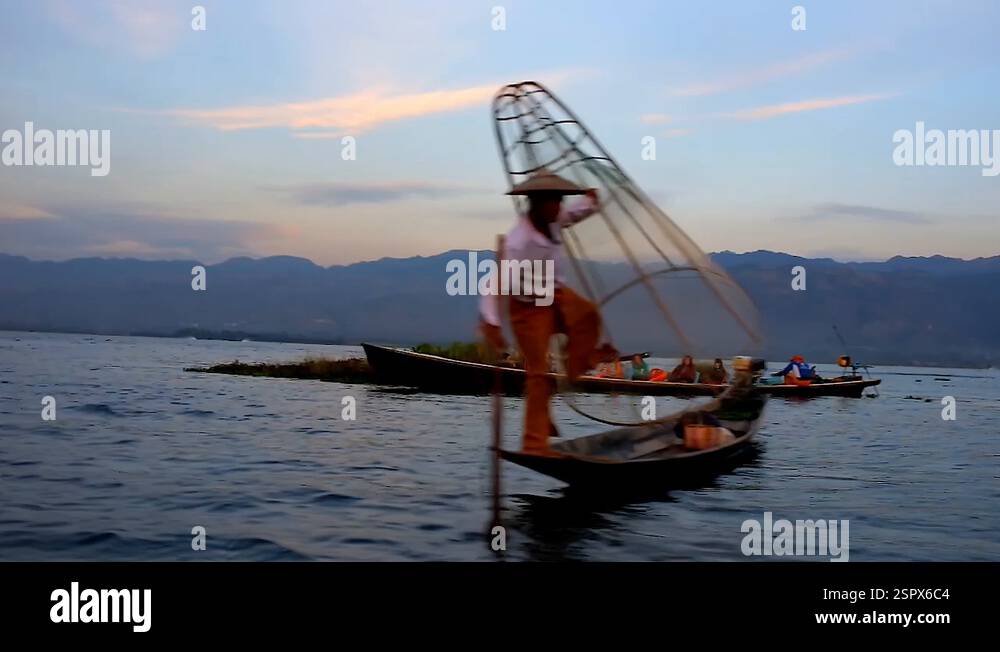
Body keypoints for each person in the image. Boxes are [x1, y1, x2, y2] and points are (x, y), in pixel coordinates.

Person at [479, 169, 617, 456]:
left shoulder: (554, 221)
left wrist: (591, 202)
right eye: (553, 202)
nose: (558, 207)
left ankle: (577, 365)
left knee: (588, 315)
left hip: (555, 294)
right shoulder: (520, 241)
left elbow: (574, 214)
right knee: (538, 374)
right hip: (527, 308)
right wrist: (491, 321)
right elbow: (498, 280)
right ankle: (534, 442)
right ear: (537, 204)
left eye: (559, 200)